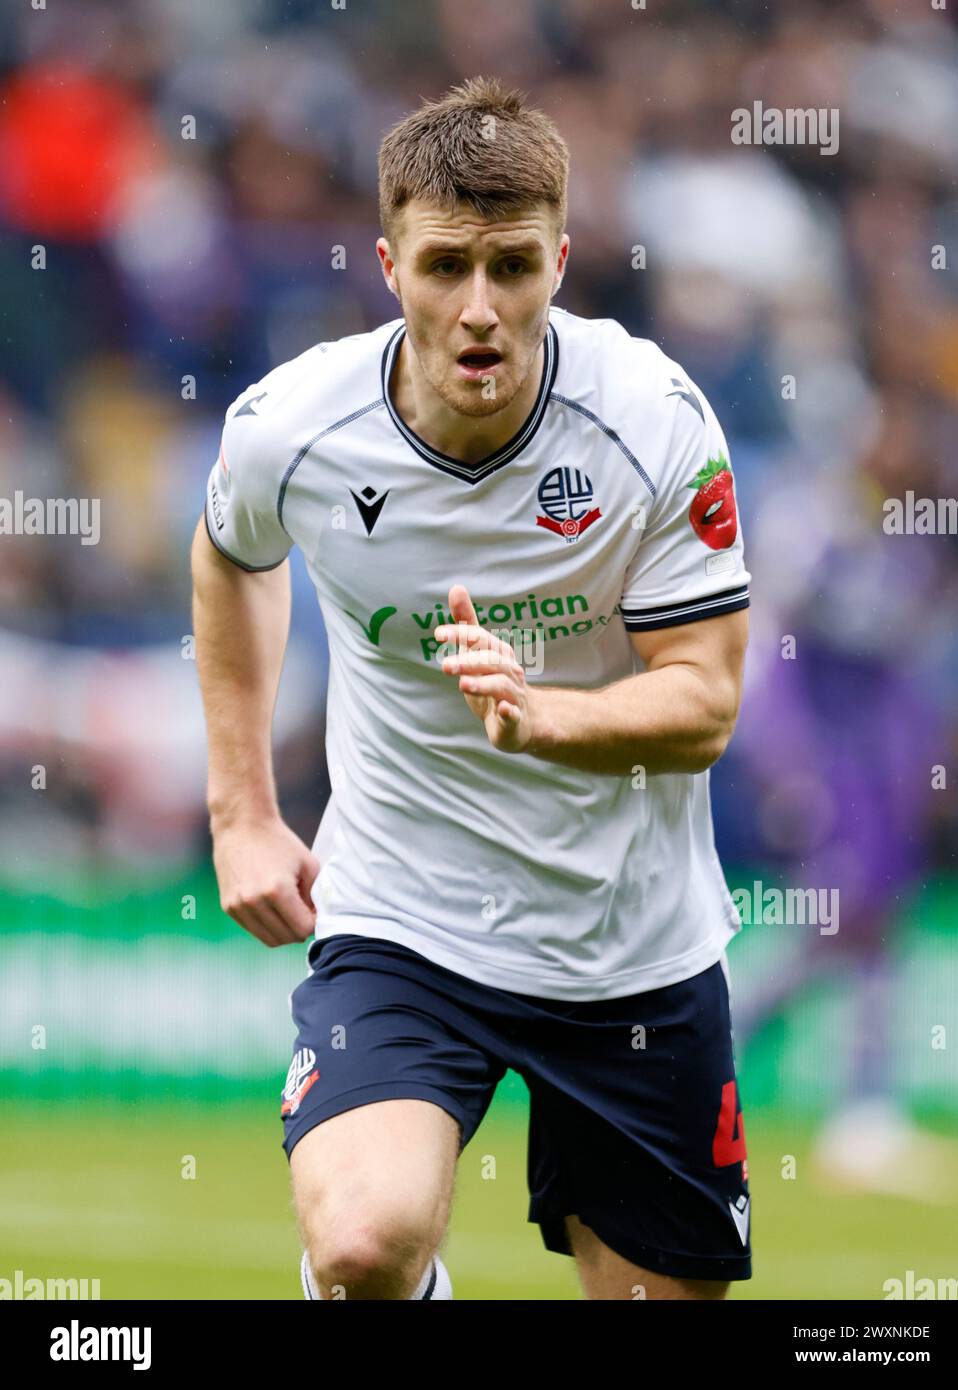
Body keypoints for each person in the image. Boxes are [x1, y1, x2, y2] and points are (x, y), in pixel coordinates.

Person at [191, 75, 752, 1301]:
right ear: (389, 265)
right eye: (447, 267)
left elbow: (704, 702)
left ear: (562, 256)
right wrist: (239, 807)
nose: (481, 309)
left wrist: (542, 716)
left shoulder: (653, 424)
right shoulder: (293, 428)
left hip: (628, 950)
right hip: (405, 916)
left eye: (513, 266)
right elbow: (231, 557)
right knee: (360, 1247)